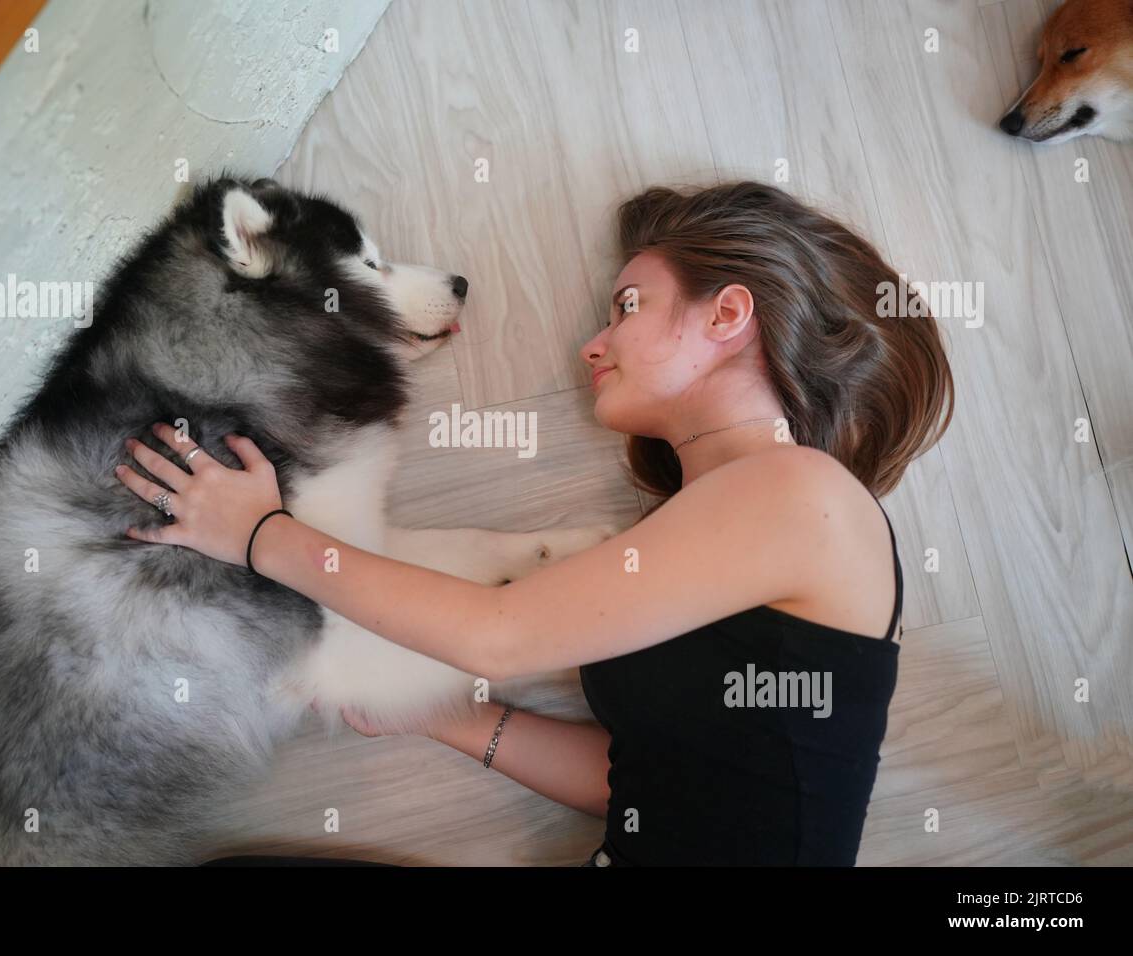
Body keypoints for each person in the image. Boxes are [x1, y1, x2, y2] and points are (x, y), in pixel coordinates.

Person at [115, 181, 954, 866]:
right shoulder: (721, 526)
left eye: (628, 305)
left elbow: (500, 638)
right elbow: (645, 783)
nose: (594, 343)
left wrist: (260, 536)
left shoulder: (802, 493)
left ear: (727, 316)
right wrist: (452, 719)